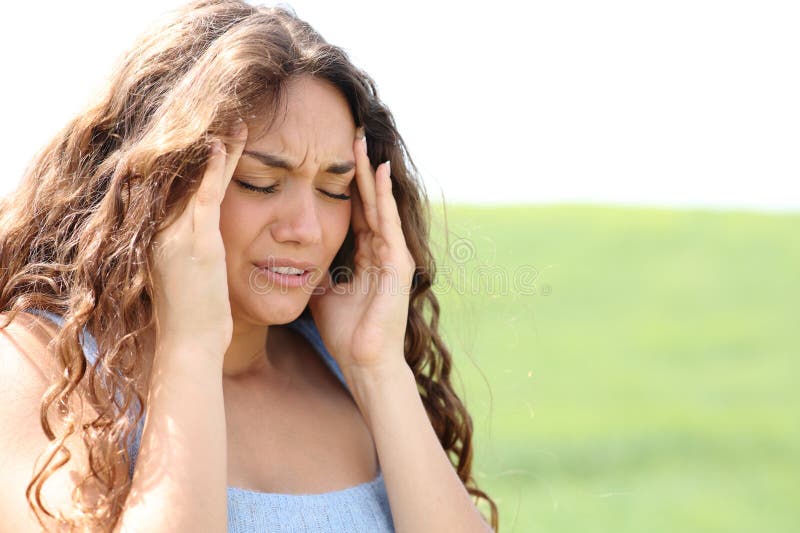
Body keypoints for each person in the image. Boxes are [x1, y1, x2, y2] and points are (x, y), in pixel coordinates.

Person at [0, 1, 498, 531]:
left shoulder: (345, 375)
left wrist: (376, 370)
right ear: (157, 184)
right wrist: (191, 348)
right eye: (261, 183)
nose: (306, 229)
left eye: (335, 189)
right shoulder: (37, 368)